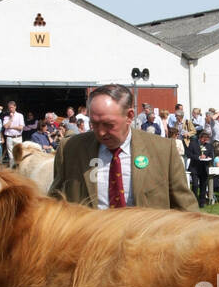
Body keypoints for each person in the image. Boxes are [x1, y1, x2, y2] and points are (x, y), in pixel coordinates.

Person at [48, 83, 199, 210]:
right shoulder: (70, 149)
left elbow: (186, 209)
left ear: (130, 116)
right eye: (94, 123)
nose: (100, 132)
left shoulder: (164, 151)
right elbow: (55, 204)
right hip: (91, 243)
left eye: (108, 124)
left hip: (146, 242)